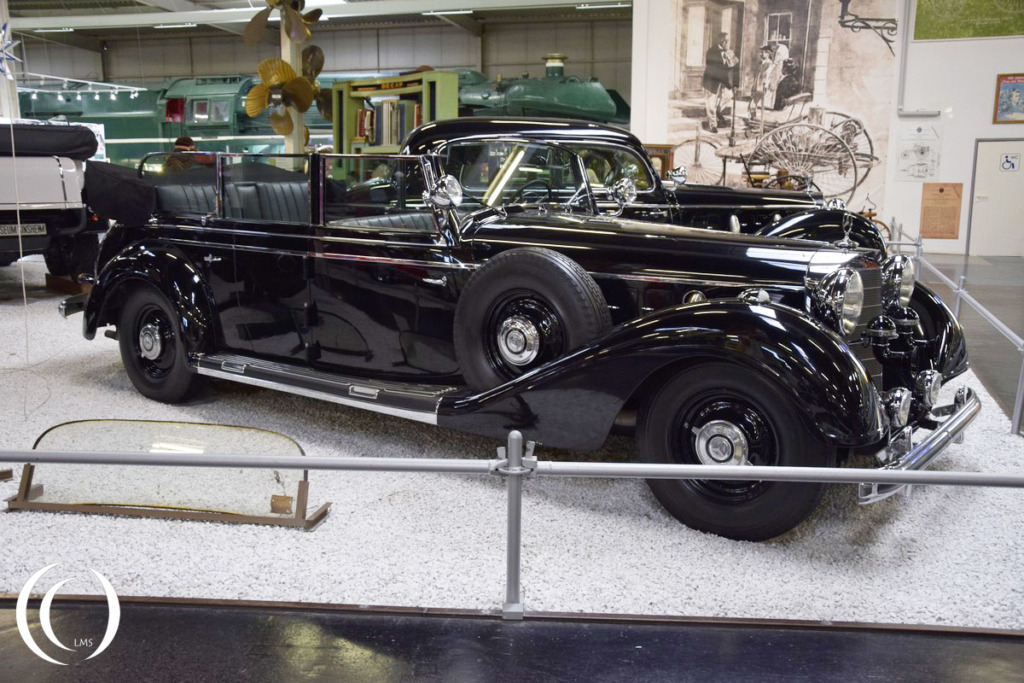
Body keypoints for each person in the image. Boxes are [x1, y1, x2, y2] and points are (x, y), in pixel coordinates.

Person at [702, 32, 739, 133]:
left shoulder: (728, 52)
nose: (727, 43)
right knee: (710, 103)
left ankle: (719, 110)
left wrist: (730, 56)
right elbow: (713, 68)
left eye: (728, 41)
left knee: (728, 95)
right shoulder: (711, 51)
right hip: (711, 80)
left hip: (723, 80)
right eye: (725, 41)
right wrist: (726, 61)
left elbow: (735, 64)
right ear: (720, 41)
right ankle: (712, 125)